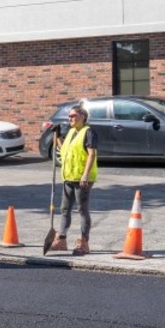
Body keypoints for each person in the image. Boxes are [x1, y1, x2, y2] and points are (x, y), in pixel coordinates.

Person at [49, 103, 98, 256]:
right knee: (65, 210)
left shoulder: (88, 132)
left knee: (82, 210)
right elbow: (65, 150)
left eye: (73, 116)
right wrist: (57, 136)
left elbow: (91, 154)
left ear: (82, 117)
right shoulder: (71, 132)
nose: (69, 118)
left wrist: (85, 175)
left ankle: (84, 242)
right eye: (69, 116)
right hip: (68, 177)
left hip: (82, 179)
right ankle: (61, 240)